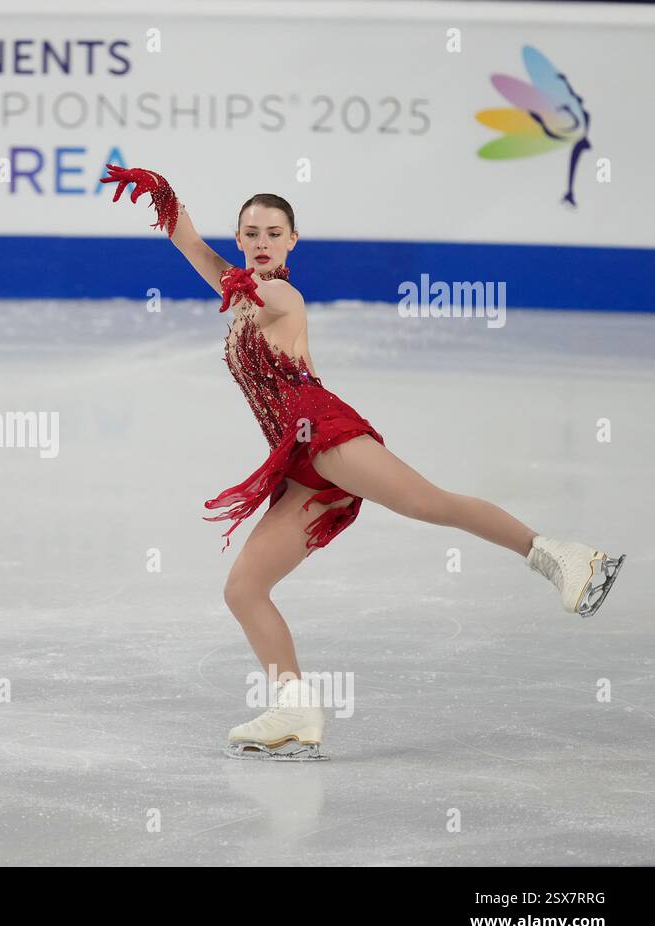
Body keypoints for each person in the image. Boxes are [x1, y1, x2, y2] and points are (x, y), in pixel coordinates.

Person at [100, 163, 626, 760]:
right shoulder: (239, 287)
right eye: (251, 233)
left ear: (292, 240)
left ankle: (564, 556)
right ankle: (293, 708)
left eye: (275, 233)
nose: (263, 243)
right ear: (241, 238)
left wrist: (242, 282)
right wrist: (166, 199)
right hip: (297, 462)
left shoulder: (277, 294)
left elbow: (264, 295)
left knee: (430, 504)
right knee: (245, 588)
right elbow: (192, 245)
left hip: (326, 433)